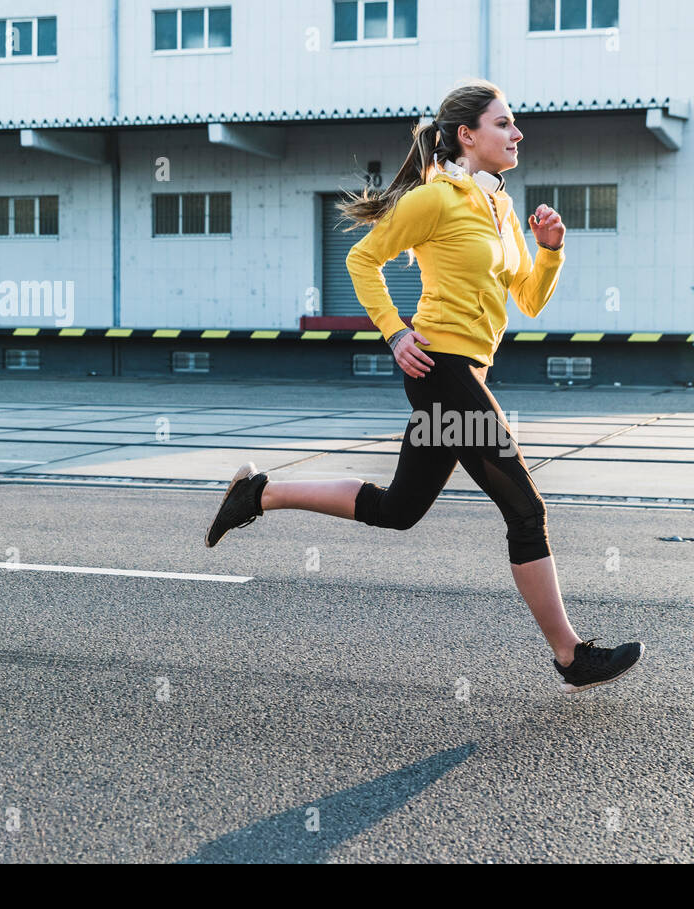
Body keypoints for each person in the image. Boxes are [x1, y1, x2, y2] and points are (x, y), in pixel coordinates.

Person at [206, 80, 643, 694]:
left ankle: (258, 494)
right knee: (525, 507)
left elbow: (530, 301)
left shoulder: (500, 209)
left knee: (398, 510)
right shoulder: (436, 199)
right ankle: (571, 655)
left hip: (467, 373)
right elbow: (363, 259)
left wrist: (550, 251)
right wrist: (393, 332)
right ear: (468, 136)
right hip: (441, 369)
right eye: (504, 124)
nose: (517, 134)